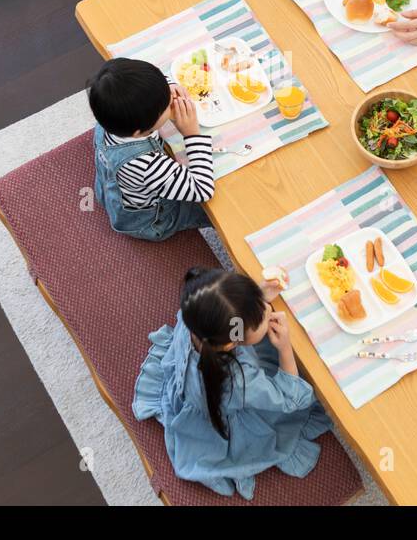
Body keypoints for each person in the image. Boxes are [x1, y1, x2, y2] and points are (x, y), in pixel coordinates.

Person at [132, 266, 331, 499]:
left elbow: (230, 319)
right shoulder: (239, 381)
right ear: (232, 343)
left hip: (198, 387)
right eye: (259, 316)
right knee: (314, 385)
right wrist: (285, 348)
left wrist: (255, 297)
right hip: (225, 414)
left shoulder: (197, 320)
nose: (267, 311)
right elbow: (290, 398)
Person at [86, 57, 214, 242]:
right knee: (223, 206)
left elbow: (145, 82)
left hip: (111, 191)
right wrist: (192, 134)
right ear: (140, 131)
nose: (171, 100)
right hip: (150, 221)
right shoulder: (148, 164)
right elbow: (202, 189)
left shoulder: (111, 115)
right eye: (165, 106)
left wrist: (165, 87)